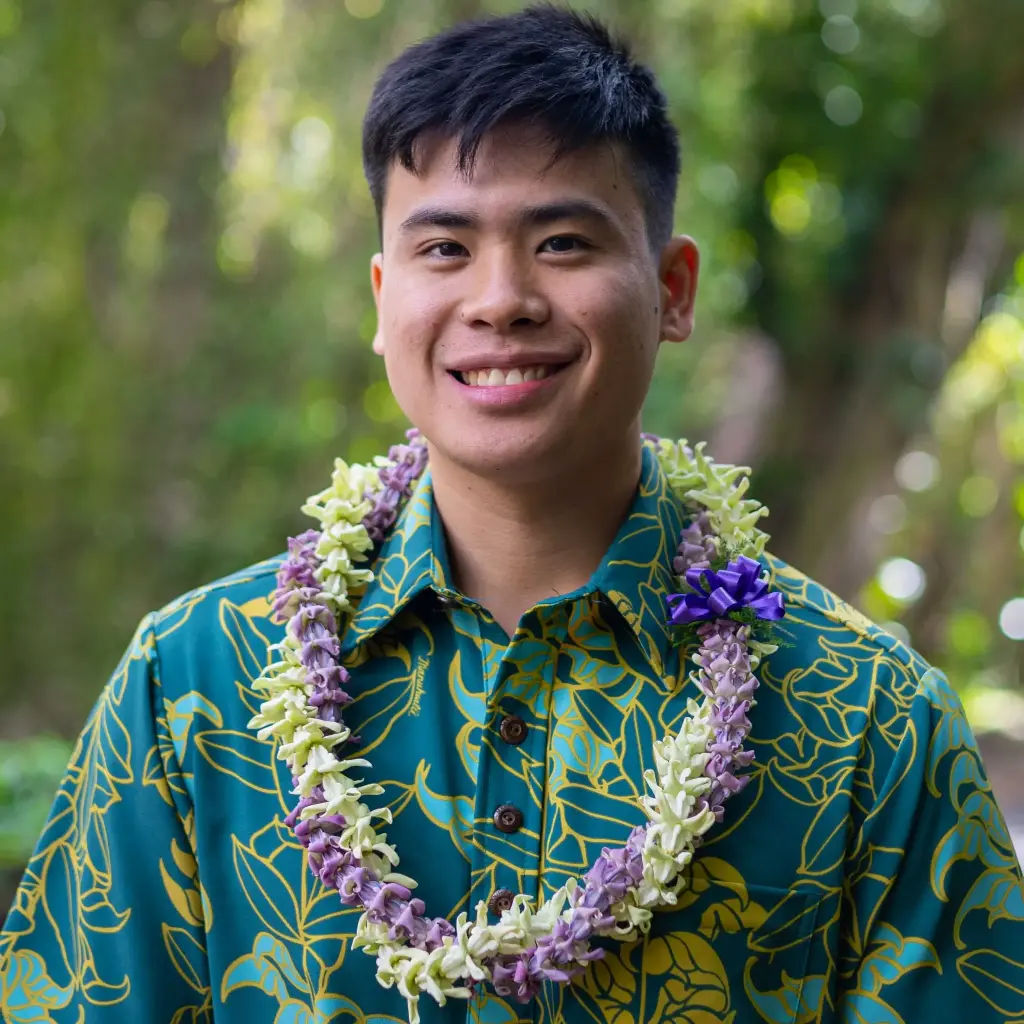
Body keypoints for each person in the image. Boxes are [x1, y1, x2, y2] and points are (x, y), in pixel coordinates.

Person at [3, 6, 1023, 1023]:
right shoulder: (191, 689)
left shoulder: (866, 720)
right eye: (443, 247)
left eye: (564, 241)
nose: (501, 299)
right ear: (381, 296)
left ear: (671, 289)